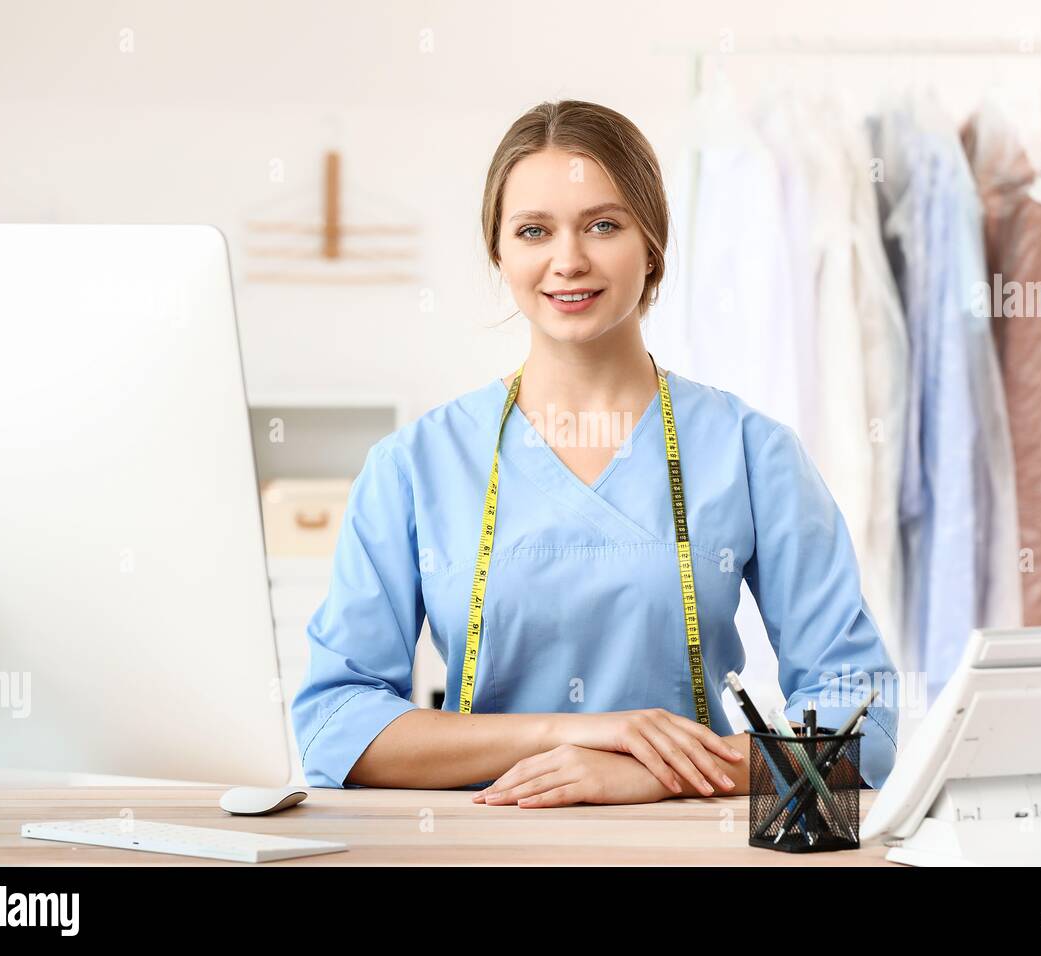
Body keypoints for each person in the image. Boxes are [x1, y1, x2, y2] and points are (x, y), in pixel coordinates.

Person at [291, 99, 899, 806]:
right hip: (481, 848)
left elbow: (866, 726)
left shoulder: (750, 453)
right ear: (499, 251)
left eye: (603, 225)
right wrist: (568, 736)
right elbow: (333, 726)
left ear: (652, 242)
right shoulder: (414, 465)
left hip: (691, 849)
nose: (568, 260)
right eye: (533, 231)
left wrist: (652, 774)